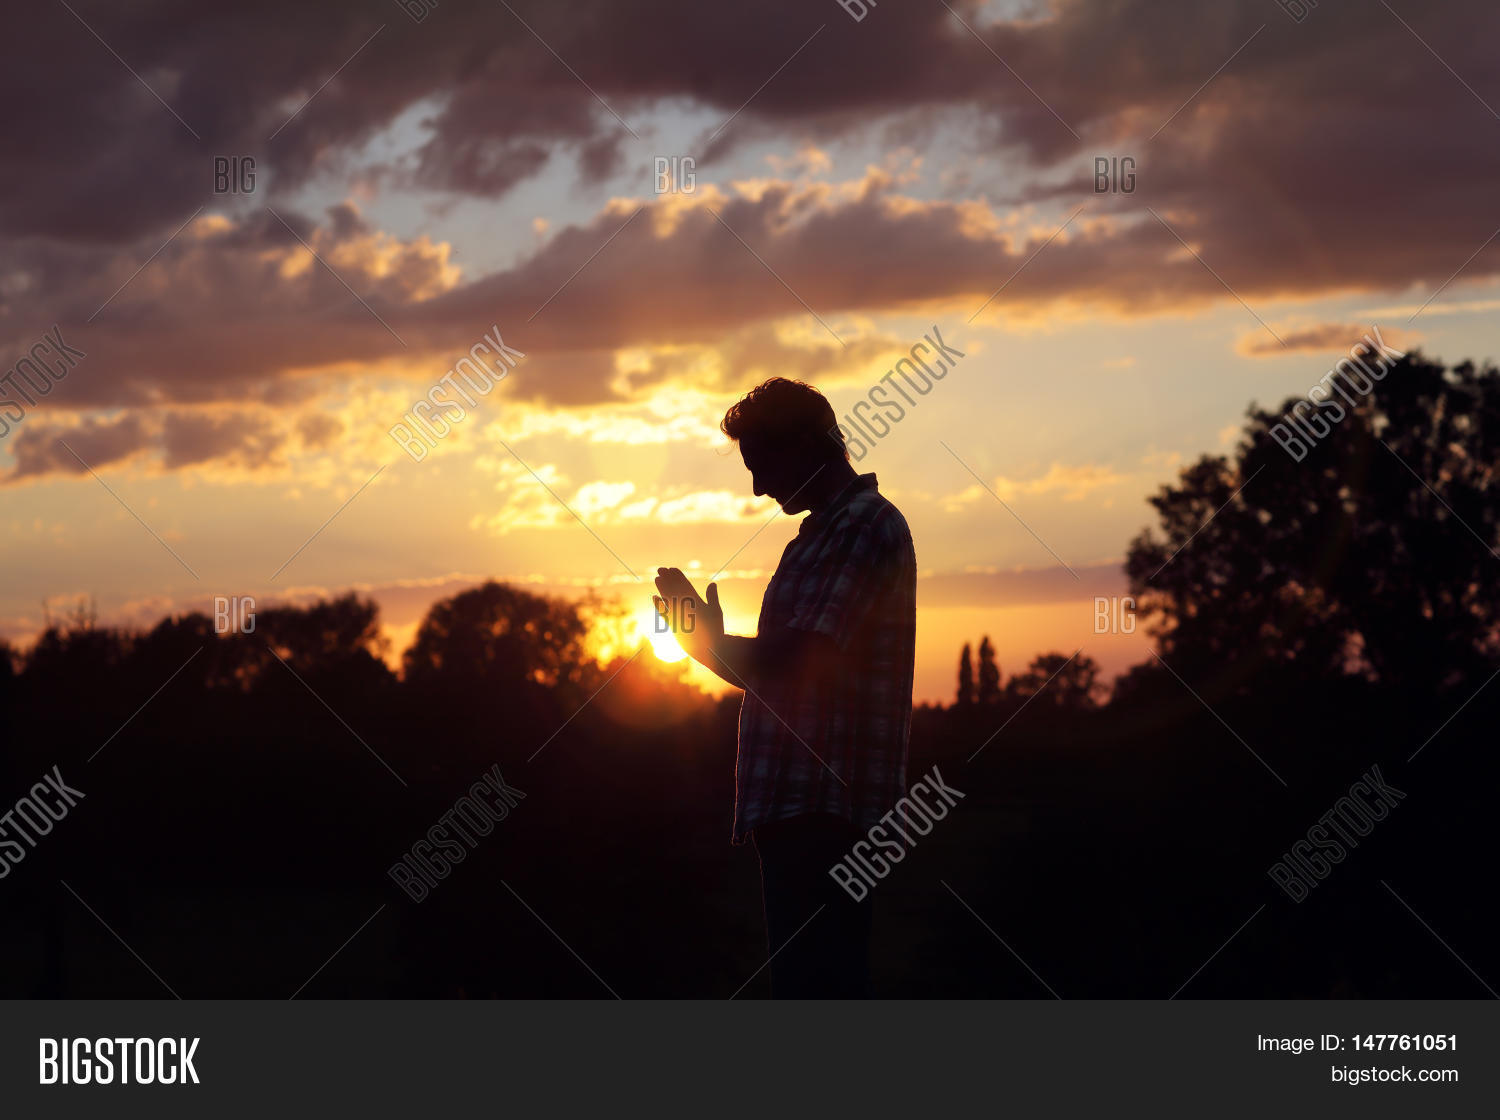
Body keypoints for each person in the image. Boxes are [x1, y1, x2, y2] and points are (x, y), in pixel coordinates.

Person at [653, 377, 917, 998]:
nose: (756, 486)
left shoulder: (861, 527)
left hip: (825, 808)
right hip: (799, 807)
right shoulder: (821, 535)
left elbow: (806, 657)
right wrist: (706, 644)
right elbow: (779, 667)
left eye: (760, 464)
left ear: (804, 446)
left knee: (818, 989)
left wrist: (707, 645)